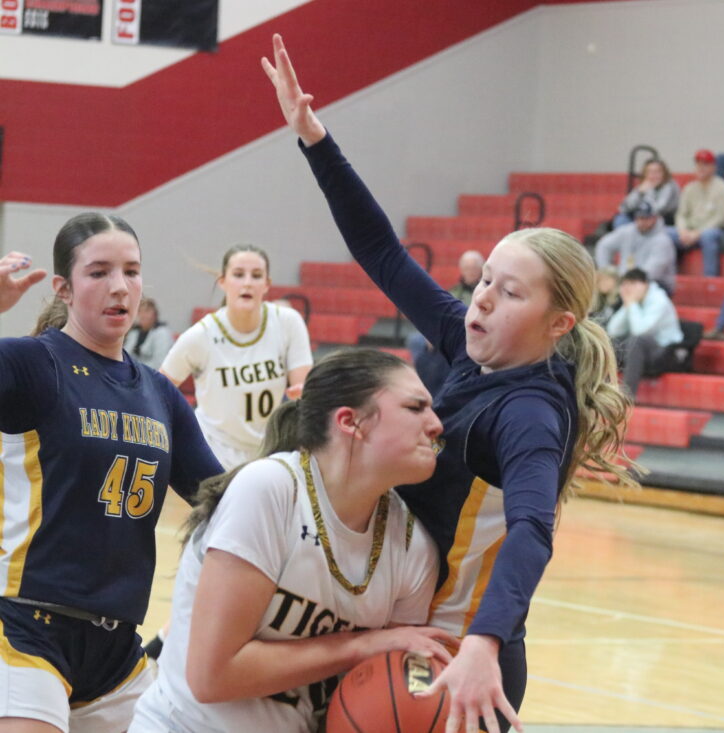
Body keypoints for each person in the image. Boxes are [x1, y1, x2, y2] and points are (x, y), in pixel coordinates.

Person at [263, 33, 635, 733]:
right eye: (485, 278)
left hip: (456, 653)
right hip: (394, 629)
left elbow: (532, 530)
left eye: (509, 292)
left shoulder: (530, 413)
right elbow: (382, 252)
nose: (483, 297)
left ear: (558, 323)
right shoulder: (475, 346)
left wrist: (484, 644)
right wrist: (315, 138)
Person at [130, 348, 456, 732]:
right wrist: (360, 645)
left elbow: (383, 686)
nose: (436, 424)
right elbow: (211, 677)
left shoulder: (414, 547)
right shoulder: (269, 489)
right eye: (416, 408)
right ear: (351, 422)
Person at [0, 213, 222, 732]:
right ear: (63, 288)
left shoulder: (159, 393)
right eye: (99, 272)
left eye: (131, 271)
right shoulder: (32, 364)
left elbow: (221, 496)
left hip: (116, 649)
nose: (120, 286)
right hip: (25, 627)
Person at [160, 244, 314, 469]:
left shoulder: (288, 322)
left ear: (267, 284)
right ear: (223, 281)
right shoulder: (200, 335)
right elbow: (158, 390)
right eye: (239, 275)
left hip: (272, 448)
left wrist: (303, 393)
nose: (248, 283)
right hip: (214, 450)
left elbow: (304, 390)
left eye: (256, 275)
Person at [406, 249, 485, 395]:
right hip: (448, 330)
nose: (470, 272)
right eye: (467, 268)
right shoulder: (454, 291)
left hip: (468, 332)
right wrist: (431, 332)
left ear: (481, 269)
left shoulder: (484, 292)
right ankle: (422, 384)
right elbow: (440, 314)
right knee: (415, 340)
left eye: (473, 268)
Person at [606, 268, 683, 397]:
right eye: (625, 285)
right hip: (640, 350)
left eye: (632, 284)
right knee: (609, 342)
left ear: (645, 284)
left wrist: (631, 303)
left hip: (667, 351)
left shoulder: (659, 300)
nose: (628, 289)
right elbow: (613, 330)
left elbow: (640, 331)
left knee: (637, 341)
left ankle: (626, 396)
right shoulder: (634, 300)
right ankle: (601, 393)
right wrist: (627, 305)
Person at [666, 149, 724, 277]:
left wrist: (698, 233)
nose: (701, 168)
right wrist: (682, 231)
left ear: (714, 167)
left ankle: (710, 279)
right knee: (665, 233)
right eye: (698, 164)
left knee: (708, 236)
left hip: (717, 231)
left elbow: (722, 217)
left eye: (705, 164)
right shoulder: (689, 188)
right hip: (689, 231)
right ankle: (668, 276)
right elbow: (681, 214)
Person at [595, 201, 677, 294]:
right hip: (627, 280)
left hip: (656, 285)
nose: (642, 222)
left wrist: (624, 282)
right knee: (604, 286)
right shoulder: (627, 231)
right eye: (639, 218)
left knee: (639, 287)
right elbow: (604, 246)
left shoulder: (663, 241)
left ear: (655, 218)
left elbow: (651, 273)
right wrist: (606, 271)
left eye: (646, 218)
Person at [611, 158, 679, 228]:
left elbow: (658, 209)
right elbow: (623, 208)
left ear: (664, 174)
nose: (653, 175)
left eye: (657, 172)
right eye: (650, 172)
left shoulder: (670, 186)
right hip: (640, 219)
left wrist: (640, 212)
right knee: (621, 219)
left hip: (663, 221)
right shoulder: (643, 186)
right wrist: (639, 193)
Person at [123, 297, 175, 369]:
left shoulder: (162, 333)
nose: (143, 315)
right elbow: (125, 356)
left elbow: (160, 363)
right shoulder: (134, 333)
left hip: (154, 373)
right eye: (140, 311)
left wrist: (135, 369)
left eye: (147, 311)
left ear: (155, 315)